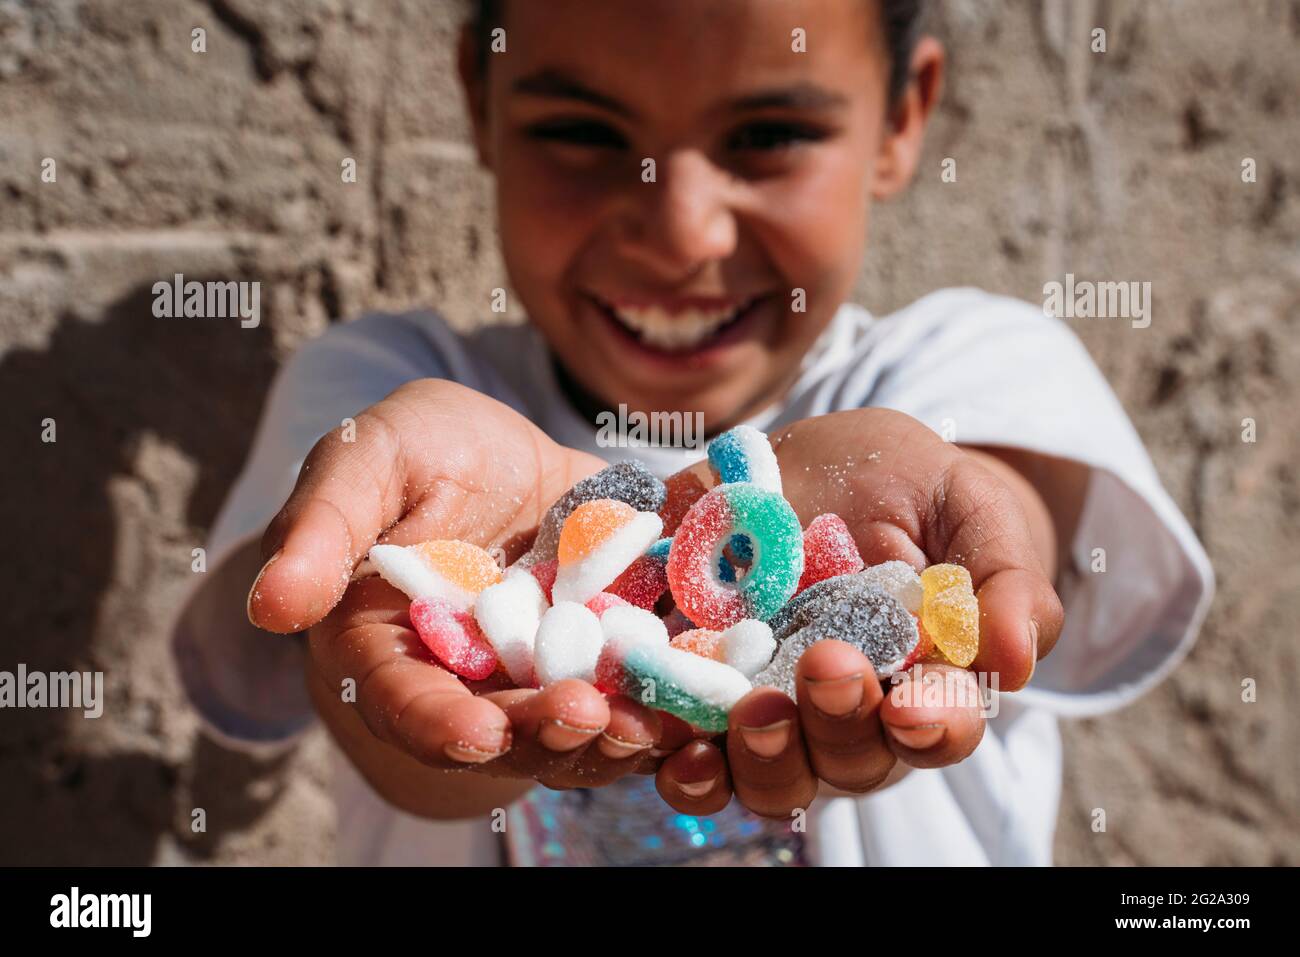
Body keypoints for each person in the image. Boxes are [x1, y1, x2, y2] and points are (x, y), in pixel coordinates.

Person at [172, 0, 1212, 865]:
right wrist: (442, 665)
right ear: (477, 99)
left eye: (767, 136)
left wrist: (954, 554)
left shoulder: (971, 363)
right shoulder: (385, 390)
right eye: (584, 133)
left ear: (904, 118)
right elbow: (376, 703)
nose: (677, 233)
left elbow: (994, 506)